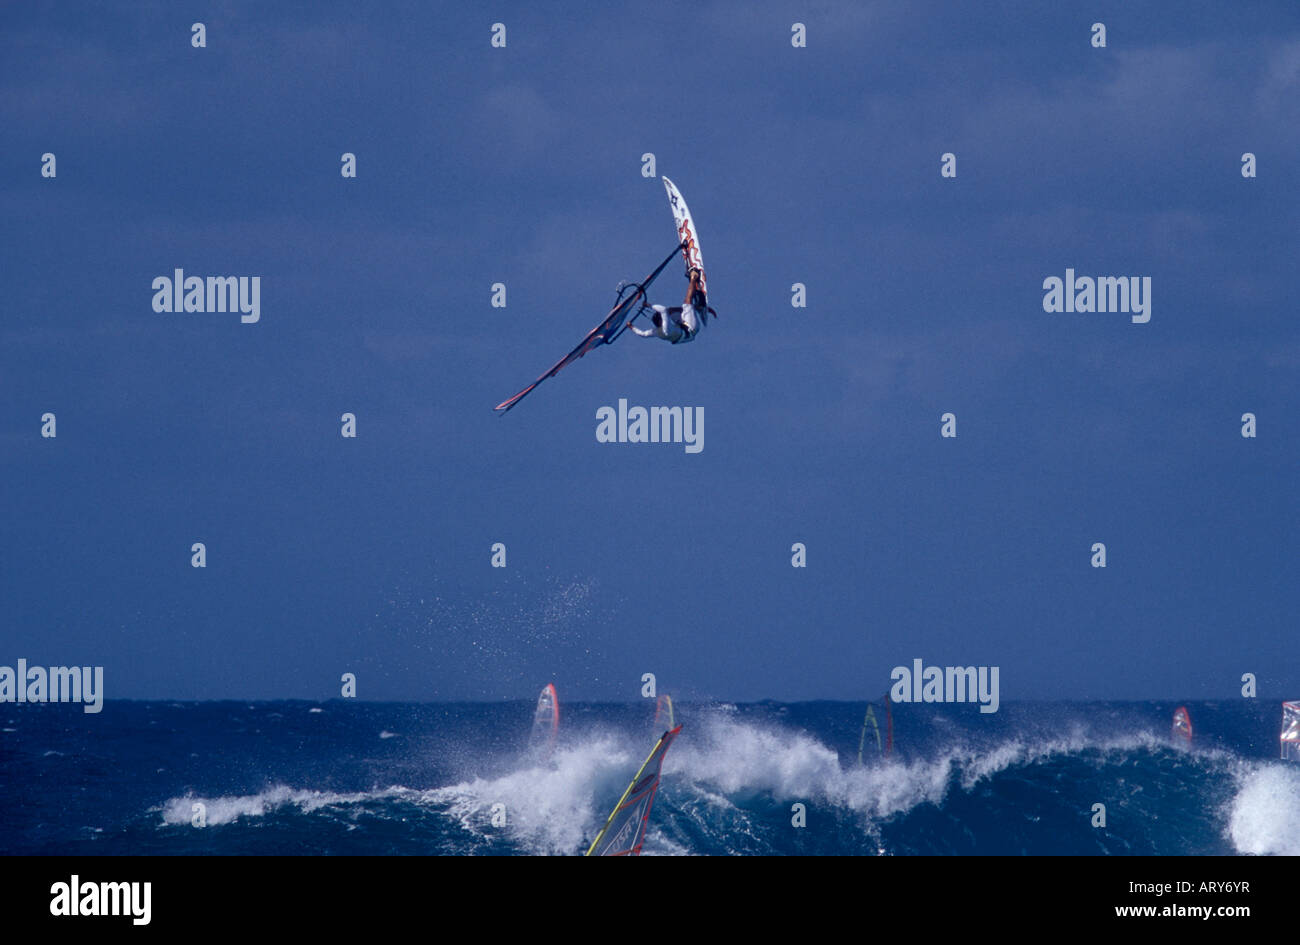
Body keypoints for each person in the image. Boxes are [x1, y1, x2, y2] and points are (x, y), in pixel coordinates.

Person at [630, 267, 715, 344]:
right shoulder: (665, 328)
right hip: (691, 328)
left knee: (670, 311)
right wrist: (649, 305)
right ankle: (694, 276)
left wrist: (631, 327)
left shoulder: (656, 331)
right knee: (687, 302)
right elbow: (663, 310)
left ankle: (696, 308)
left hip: (683, 328)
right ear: (660, 321)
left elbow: (643, 334)